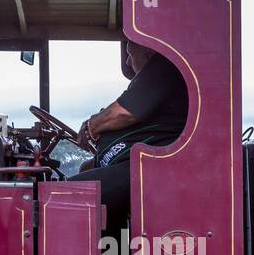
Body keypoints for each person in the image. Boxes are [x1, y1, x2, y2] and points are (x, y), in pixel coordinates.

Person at [71, 42, 189, 234]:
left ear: (149, 54)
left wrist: (90, 126)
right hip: (144, 164)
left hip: (151, 168)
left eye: (129, 54)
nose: (127, 61)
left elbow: (123, 113)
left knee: (64, 193)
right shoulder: (159, 76)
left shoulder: (162, 66)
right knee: (87, 172)